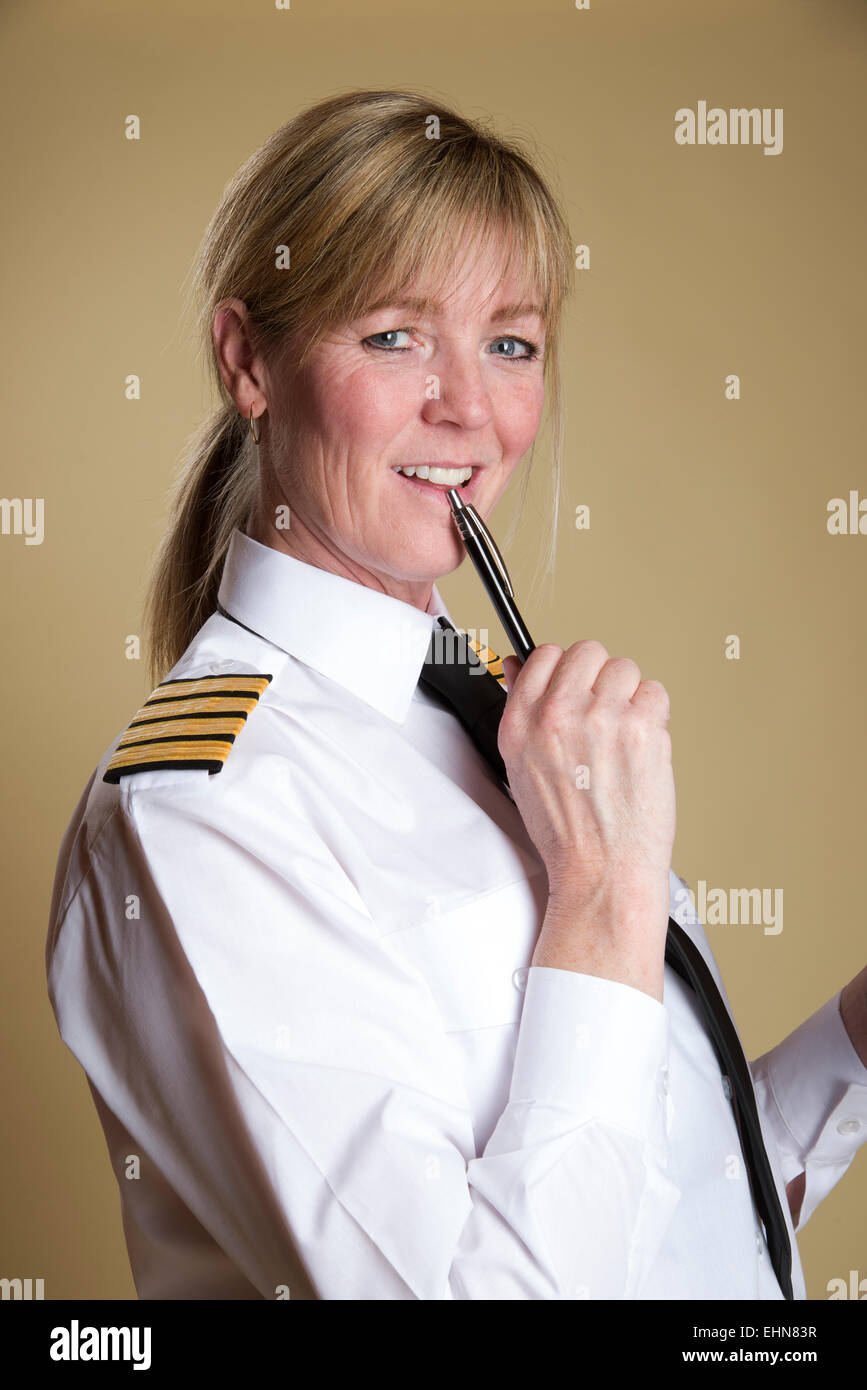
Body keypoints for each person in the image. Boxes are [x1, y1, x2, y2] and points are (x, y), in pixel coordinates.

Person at [46, 88, 867, 1301]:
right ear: (248, 362)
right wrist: (605, 893)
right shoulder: (205, 809)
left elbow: (662, 1217)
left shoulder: (493, 718)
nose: (471, 409)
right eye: (394, 336)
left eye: (511, 343)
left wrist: (855, 1047)